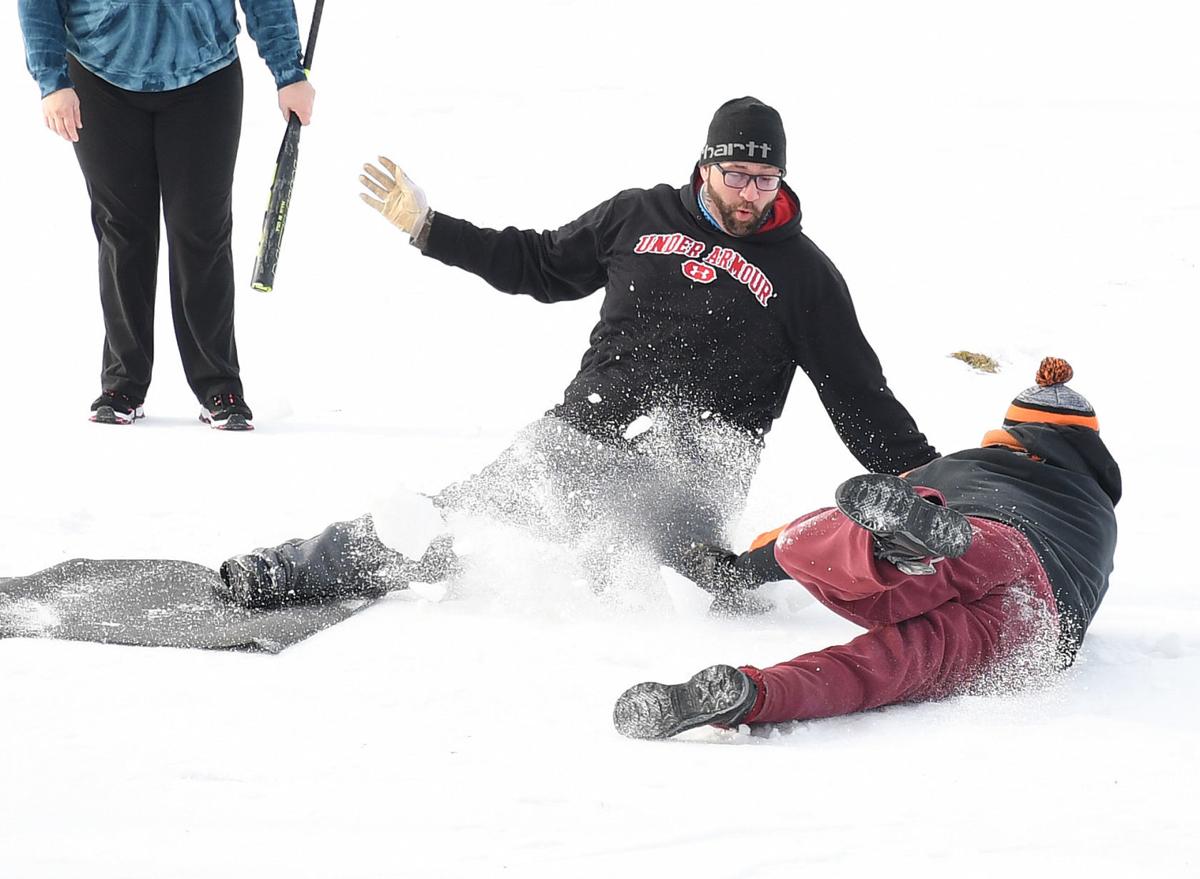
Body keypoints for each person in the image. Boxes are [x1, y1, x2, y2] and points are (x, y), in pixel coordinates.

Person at [213, 97, 938, 605]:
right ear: (705, 167)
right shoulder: (637, 214)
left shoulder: (803, 273)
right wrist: (431, 227)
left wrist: (941, 489)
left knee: (631, 569)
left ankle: (690, 591)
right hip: (579, 435)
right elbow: (537, 263)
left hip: (695, 467)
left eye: (766, 179)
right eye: (738, 176)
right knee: (453, 518)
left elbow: (861, 399)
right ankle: (290, 569)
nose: (750, 194)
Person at [611, 357, 1122, 739]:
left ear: (1012, 430)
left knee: (826, 538)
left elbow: (823, 523)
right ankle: (755, 696)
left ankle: (885, 551)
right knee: (887, 668)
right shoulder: (1099, 511)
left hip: (978, 539)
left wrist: (745, 569)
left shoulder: (964, 464)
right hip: (1035, 627)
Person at [18, 0, 317, 430]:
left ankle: (219, 386)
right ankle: (123, 383)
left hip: (205, 77)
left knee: (201, 232)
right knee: (123, 233)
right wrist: (51, 79)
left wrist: (289, 71)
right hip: (100, 78)